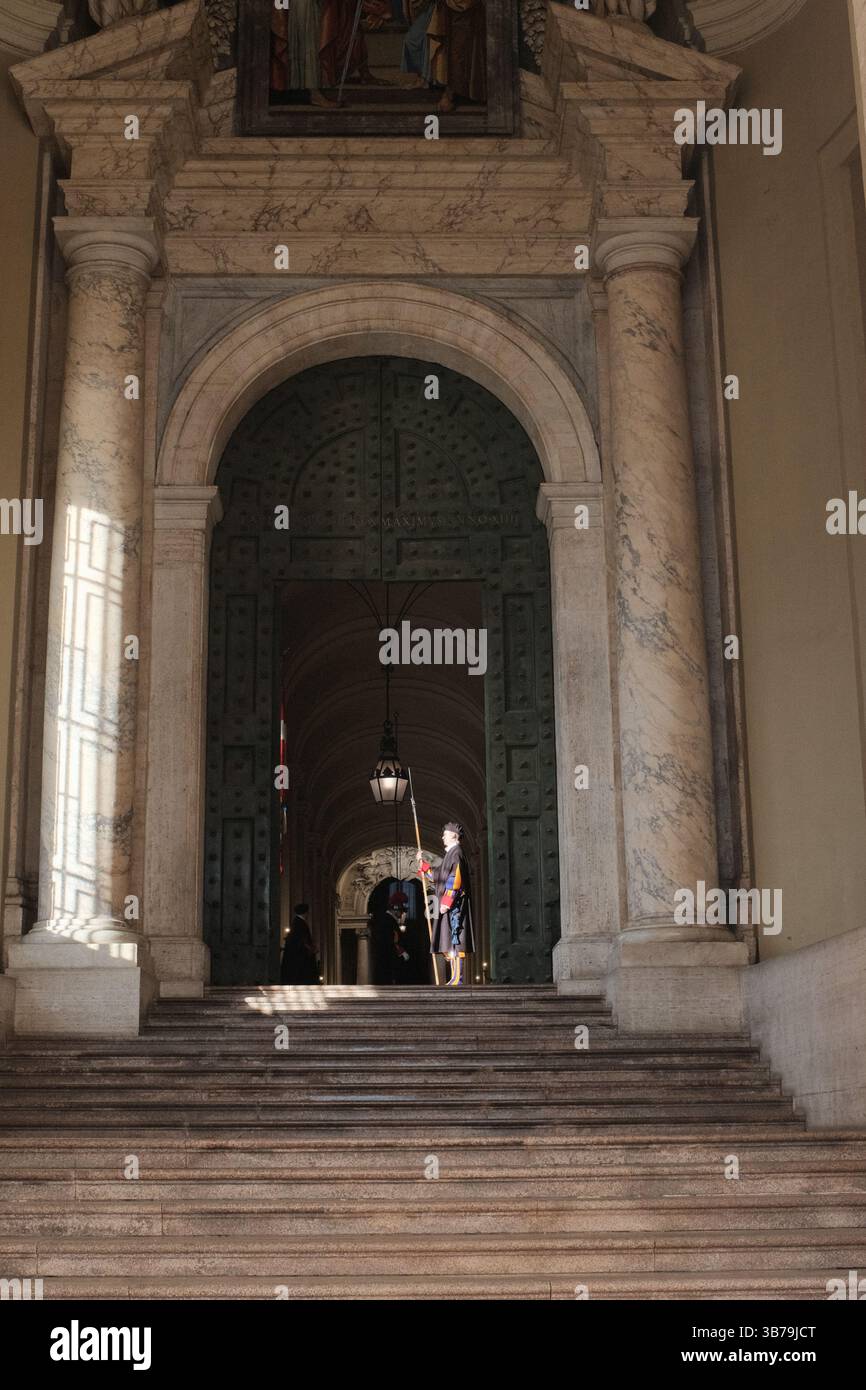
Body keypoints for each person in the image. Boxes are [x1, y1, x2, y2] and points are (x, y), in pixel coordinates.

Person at [417, 822, 474, 986]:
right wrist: (424, 866)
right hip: (450, 905)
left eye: (445, 834)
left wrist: (447, 901)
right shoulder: (451, 854)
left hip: (455, 905)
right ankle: (455, 977)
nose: (442, 836)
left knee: (456, 940)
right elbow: (439, 875)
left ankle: (458, 978)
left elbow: (455, 879)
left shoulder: (457, 853)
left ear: (454, 835)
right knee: (450, 941)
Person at [371, 889, 411, 984]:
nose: (402, 914)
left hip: (389, 963)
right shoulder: (387, 921)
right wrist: (402, 952)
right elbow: (390, 942)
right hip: (388, 964)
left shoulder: (389, 920)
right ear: (395, 909)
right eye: (401, 911)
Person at [279, 903, 319, 984]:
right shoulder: (301, 923)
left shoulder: (296, 922)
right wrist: (311, 949)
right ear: (305, 913)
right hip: (300, 956)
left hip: (297, 954)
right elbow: (303, 940)